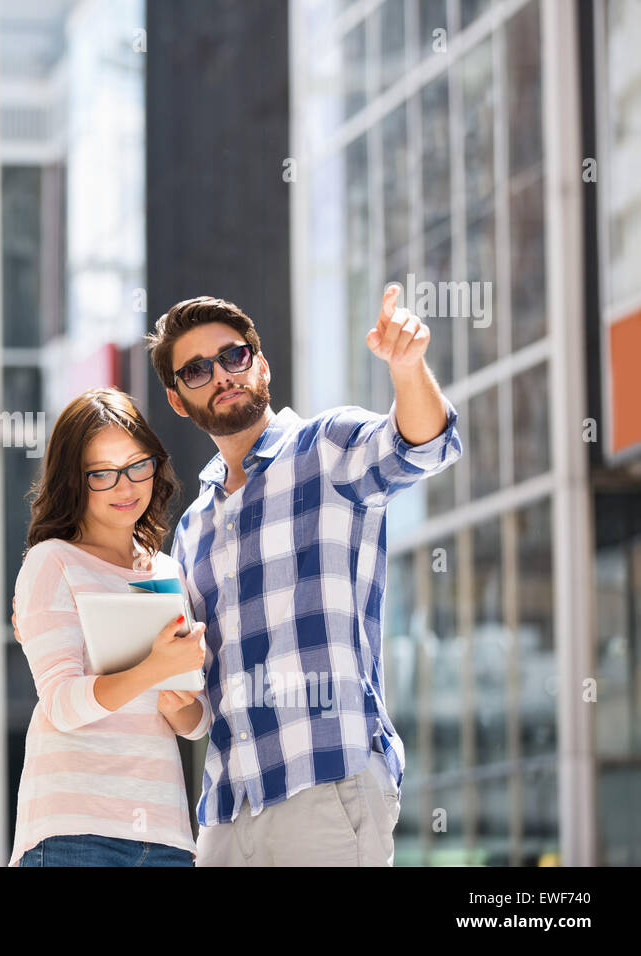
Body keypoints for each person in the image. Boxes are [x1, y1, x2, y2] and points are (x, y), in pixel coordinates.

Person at [144, 286, 462, 865]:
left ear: (259, 364)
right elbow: (197, 709)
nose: (221, 374)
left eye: (233, 356)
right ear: (177, 398)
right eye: (196, 370)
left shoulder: (328, 449)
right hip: (226, 811)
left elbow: (422, 446)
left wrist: (409, 368)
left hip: (325, 781)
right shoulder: (192, 530)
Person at [9, 387, 208, 867]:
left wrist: (179, 700)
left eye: (138, 465)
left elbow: (196, 723)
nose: (126, 487)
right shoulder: (52, 562)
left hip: (165, 836)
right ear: (74, 481)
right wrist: (152, 668)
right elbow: (60, 705)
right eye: (103, 474)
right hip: (74, 830)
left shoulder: (166, 571)